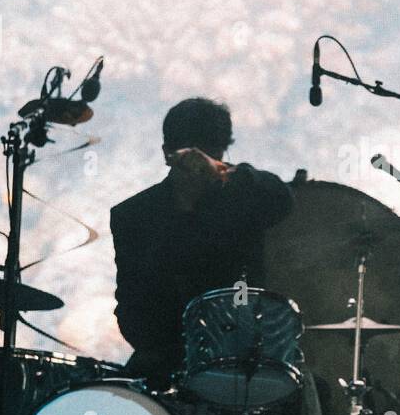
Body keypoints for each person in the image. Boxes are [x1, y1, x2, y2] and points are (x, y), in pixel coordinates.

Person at [111, 97, 295, 388]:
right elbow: (131, 311)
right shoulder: (133, 216)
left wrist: (226, 172)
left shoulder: (243, 196)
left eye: (211, 152)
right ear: (167, 154)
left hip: (240, 359)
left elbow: (282, 197)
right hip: (164, 363)